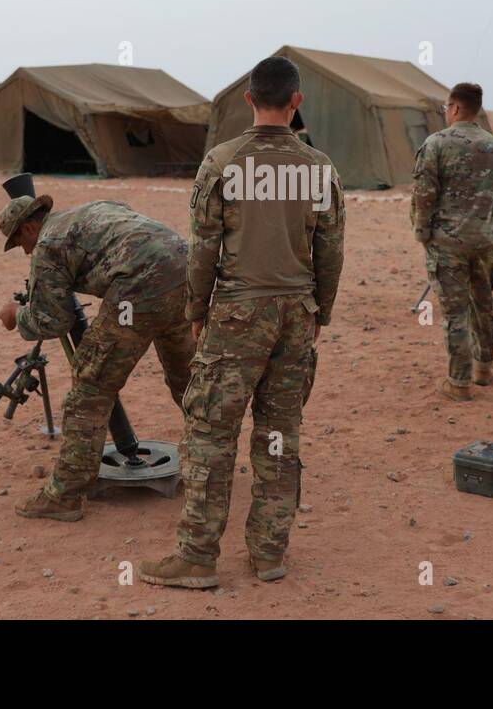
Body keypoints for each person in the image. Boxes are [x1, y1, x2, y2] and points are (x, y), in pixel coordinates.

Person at [139, 56, 345, 589]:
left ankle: (198, 556)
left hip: (236, 315)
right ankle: (270, 552)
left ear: (249, 100)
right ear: (297, 102)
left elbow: (203, 248)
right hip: (295, 316)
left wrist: (196, 312)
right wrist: (320, 308)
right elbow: (331, 247)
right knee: (280, 435)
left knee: (210, 434)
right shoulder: (320, 167)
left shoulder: (223, 162)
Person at [0, 197, 195, 522]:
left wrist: (16, 316)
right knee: (187, 377)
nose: (26, 252)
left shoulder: (48, 243)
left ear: (30, 227)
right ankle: (213, 467)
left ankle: (66, 495)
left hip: (140, 285)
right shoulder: (95, 208)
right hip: (183, 268)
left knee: (90, 388)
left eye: (20, 242)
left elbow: (53, 321)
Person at [410, 83, 493, 398]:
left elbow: (424, 194)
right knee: (483, 305)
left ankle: (459, 382)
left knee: (456, 313)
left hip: (447, 244)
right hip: (484, 242)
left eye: (447, 107)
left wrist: (423, 232)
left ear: (455, 107)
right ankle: (484, 367)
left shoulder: (436, 144)